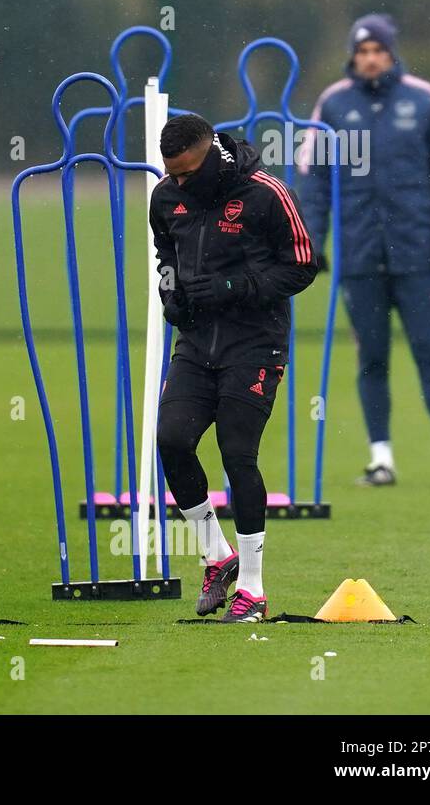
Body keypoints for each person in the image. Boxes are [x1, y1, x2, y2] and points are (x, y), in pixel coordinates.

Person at [299, 13, 430, 487]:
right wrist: (311, 240)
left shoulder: (423, 100)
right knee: (372, 358)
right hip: (358, 256)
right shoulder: (333, 104)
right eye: (361, 52)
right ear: (352, 57)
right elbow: (313, 178)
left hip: (417, 254)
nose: (369, 59)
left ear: (392, 53)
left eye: (378, 51)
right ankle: (380, 460)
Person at [151, 114, 318, 622]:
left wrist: (235, 286)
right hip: (196, 343)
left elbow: (304, 263)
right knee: (172, 440)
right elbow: (167, 254)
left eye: (186, 173)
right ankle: (216, 555)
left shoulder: (266, 193)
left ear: (211, 156)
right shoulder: (164, 197)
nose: (178, 183)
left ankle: (252, 588)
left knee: (236, 454)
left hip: (255, 344)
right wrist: (170, 292)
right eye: (171, 174)